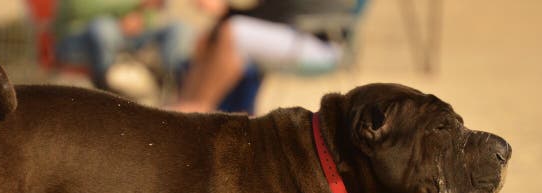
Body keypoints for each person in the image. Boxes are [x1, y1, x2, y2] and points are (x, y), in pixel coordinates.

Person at [174, 0, 369, 113]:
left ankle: (198, 109)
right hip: (297, 33)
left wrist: (225, 11)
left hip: (323, 43)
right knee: (219, 36)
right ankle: (185, 106)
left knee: (234, 33)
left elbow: (280, 11)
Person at [54, 0, 192, 92]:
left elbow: (150, 11)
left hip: (128, 39)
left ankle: (173, 82)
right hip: (80, 39)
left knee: (179, 29)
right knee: (104, 27)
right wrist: (131, 7)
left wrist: (140, 20)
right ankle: (107, 84)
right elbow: (81, 6)